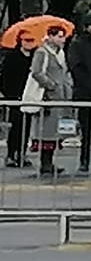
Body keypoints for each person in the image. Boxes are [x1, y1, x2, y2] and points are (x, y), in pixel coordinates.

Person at [29, 25, 73, 177]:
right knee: (45, 132)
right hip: (49, 98)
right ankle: (45, 163)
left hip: (60, 98)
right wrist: (51, 85)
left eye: (63, 36)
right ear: (51, 36)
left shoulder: (60, 53)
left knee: (55, 132)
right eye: (60, 36)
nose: (63, 40)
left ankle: (50, 162)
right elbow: (36, 72)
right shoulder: (42, 52)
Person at [67, 15, 91, 172]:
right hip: (84, 90)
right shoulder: (77, 44)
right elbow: (75, 66)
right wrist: (87, 83)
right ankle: (86, 157)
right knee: (86, 126)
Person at [2, 32, 35, 167]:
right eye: (26, 40)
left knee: (26, 126)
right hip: (15, 96)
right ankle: (11, 154)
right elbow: (4, 76)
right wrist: (9, 94)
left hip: (29, 95)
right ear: (20, 41)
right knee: (16, 125)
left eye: (31, 40)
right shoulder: (12, 57)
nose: (29, 43)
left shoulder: (34, 57)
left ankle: (22, 153)